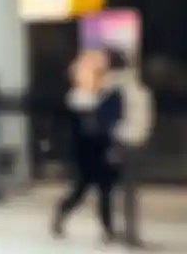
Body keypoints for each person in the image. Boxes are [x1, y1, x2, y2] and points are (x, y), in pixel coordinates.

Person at [52, 50, 122, 245]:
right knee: (80, 190)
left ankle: (108, 229)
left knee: (105, 192)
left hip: (102, 150)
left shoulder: (107, 96)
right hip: (85, 152)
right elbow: (73, 130)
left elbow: (112, 121)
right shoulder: (75, 99)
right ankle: (61, 215)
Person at [105, 50, 154, 247]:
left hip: (126, 139)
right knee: (128, 189)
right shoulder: (128, 87)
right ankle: (128, 232)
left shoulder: (119, 86)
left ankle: (119, 230)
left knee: (120, 188)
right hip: (130, 140)